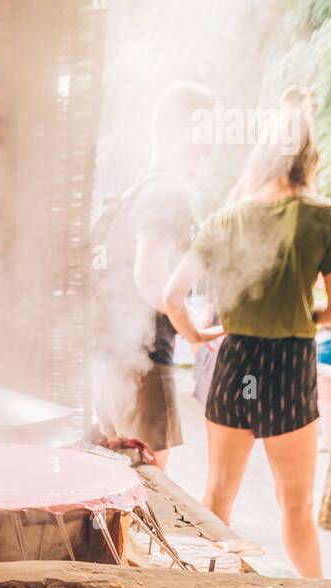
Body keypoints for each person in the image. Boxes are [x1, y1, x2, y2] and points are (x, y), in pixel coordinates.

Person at [164, 87, 331, 578]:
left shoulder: (228, 217)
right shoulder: (325, 218)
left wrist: (198, 336)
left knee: (216, 500)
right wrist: (300, 314)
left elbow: (171, 297)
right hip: (291, 365)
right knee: (296, 510)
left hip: (235, 362)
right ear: (310, 155)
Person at [93, 81, 216, 470]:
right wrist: (193, 332)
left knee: (118, 488)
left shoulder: (137, 190)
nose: (209, 147)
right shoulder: (167, 192)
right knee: (150, 491)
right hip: (142, 364)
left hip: (110, 361)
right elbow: (151, 280)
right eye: (203, 133)